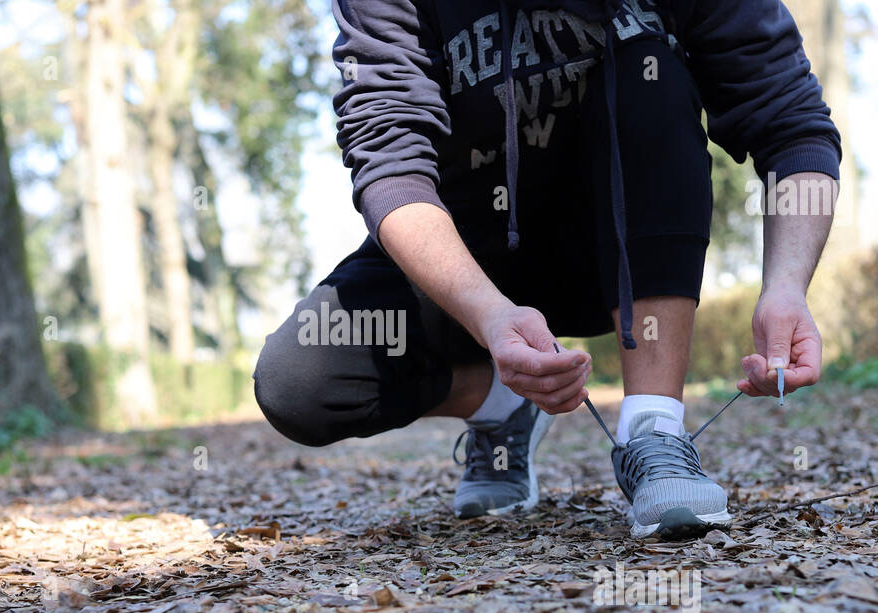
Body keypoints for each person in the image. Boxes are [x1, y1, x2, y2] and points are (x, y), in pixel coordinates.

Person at [254, 0, 840, 539]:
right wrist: (487, 314)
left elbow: (791, 120)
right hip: (464, 261)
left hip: (622, 246)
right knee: (297, 383)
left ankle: (654, 430)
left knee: (647, 62)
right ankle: (502, 406)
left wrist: (786, 284)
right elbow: (389, 163)